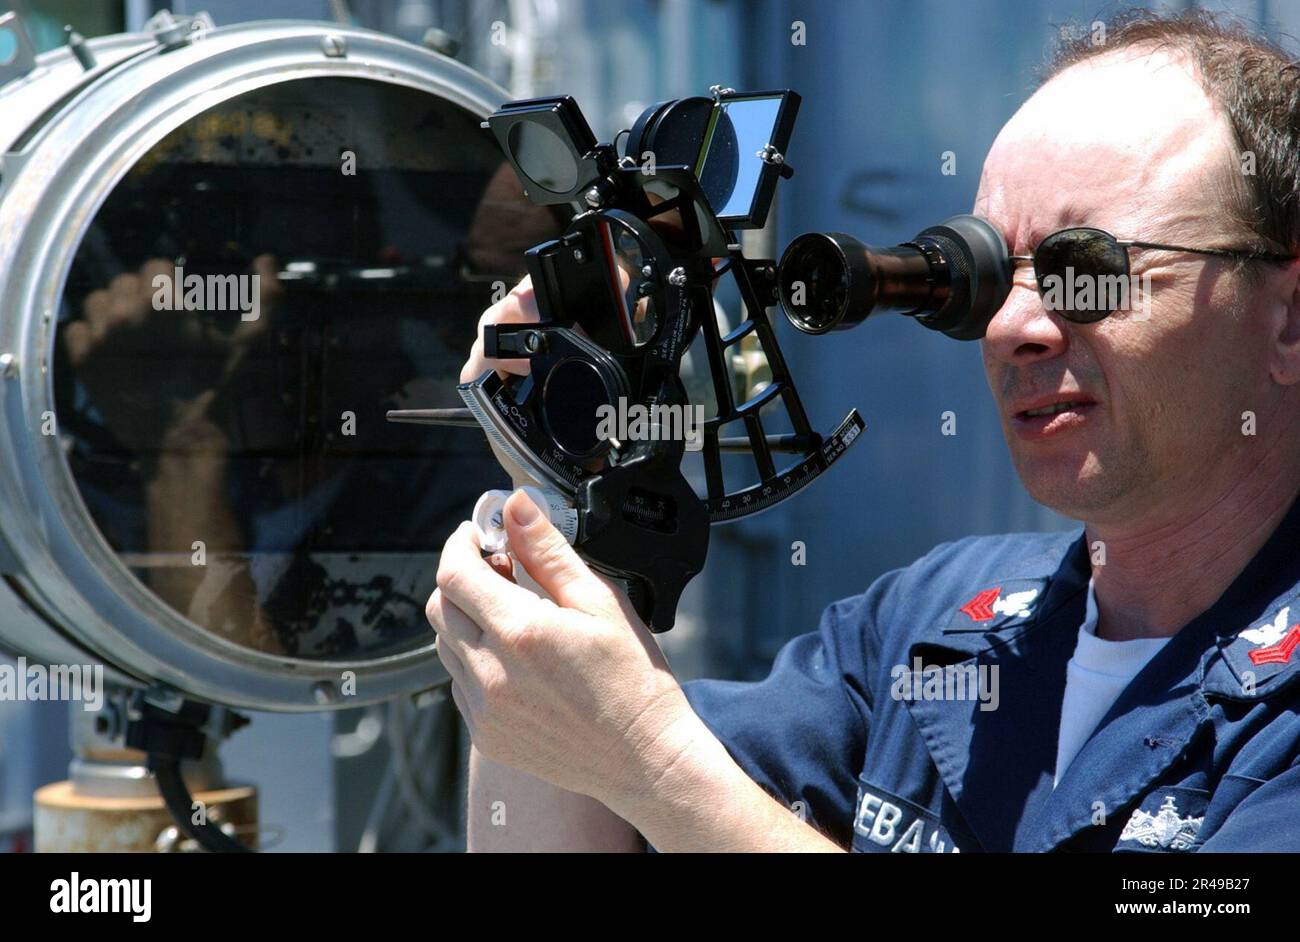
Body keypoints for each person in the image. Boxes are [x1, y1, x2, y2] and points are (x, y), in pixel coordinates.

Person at [426, 10, 1300, 852]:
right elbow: (595, 809)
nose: (1011, 327)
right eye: (986, 278)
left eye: (1086, 270)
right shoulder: (933, 622)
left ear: (1288, 319)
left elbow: (660, 779)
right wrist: (569, 499)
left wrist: (653, 758)